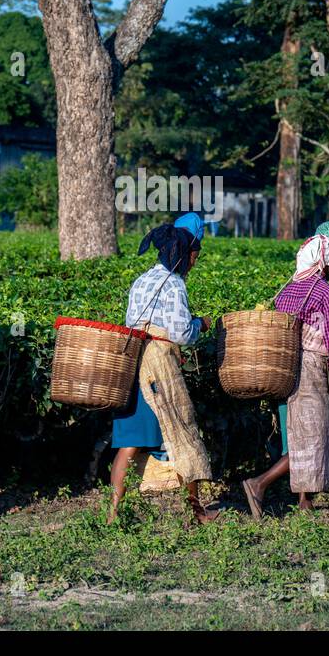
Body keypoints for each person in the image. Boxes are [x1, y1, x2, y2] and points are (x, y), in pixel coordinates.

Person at [241, 220, 329, 519]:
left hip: (285, 368)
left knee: (302, 434)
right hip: (309, 370)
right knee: (314, 436)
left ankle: (305, 501)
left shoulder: (289, 289)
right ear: (328, 257)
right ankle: (259, 484)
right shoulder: (325, 293)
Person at [108, 215, 217, 524]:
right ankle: (196, 512)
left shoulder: (141, 280)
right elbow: (183, 332)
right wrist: (202, 324)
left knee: (129, 443)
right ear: (186, 253)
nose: (195, 262)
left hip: (134, 363)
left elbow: (133, 322)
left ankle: (113, 514)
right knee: (183, 434)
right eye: (196, 255)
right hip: (158, 367)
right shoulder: (175, 285)